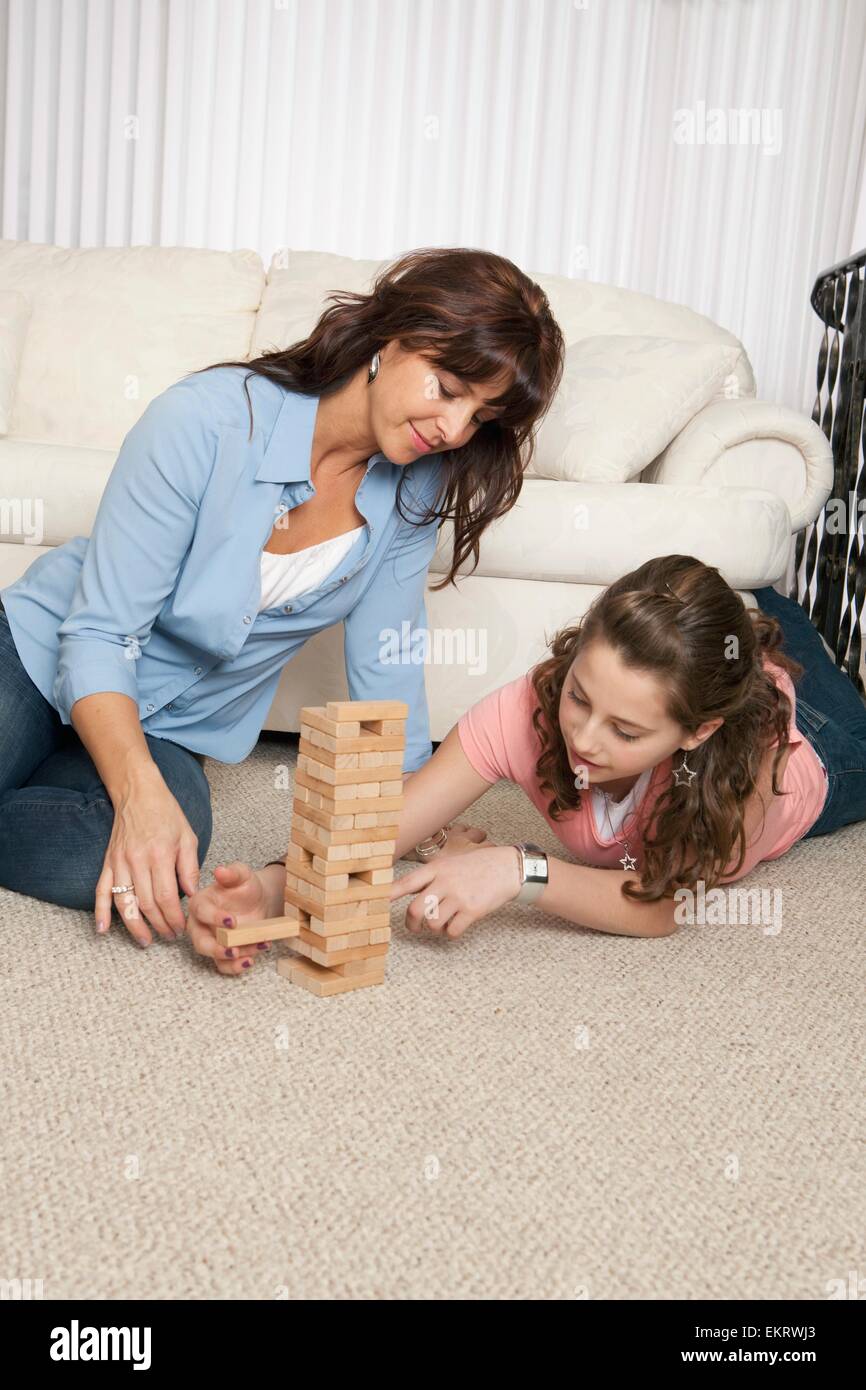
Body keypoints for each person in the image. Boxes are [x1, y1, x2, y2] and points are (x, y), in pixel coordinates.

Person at [0, 246, 566, 951]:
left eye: (480, 417)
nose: (454, 430)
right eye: (448, 387)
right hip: (38, 652)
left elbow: (387, 667)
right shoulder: (205, 422)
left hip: (170, 725)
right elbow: (99, 637)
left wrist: (423, 820)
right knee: (137, 818)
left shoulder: (416, 487)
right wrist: (138, 795)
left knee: (152, 867)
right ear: (390, 338)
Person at [187, 553, 866, 968]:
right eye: (579, 695)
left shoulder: (739, 761)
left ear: (694, 732)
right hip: (718, 675)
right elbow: (387, 824)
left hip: (830, 749)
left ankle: (777, 615)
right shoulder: (526, 710)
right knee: (756, 630)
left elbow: (661, 905)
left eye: (625, 731)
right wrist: (277, 888)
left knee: (814, 656)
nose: (586, 740)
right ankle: (762, 620)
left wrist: (519, 870)